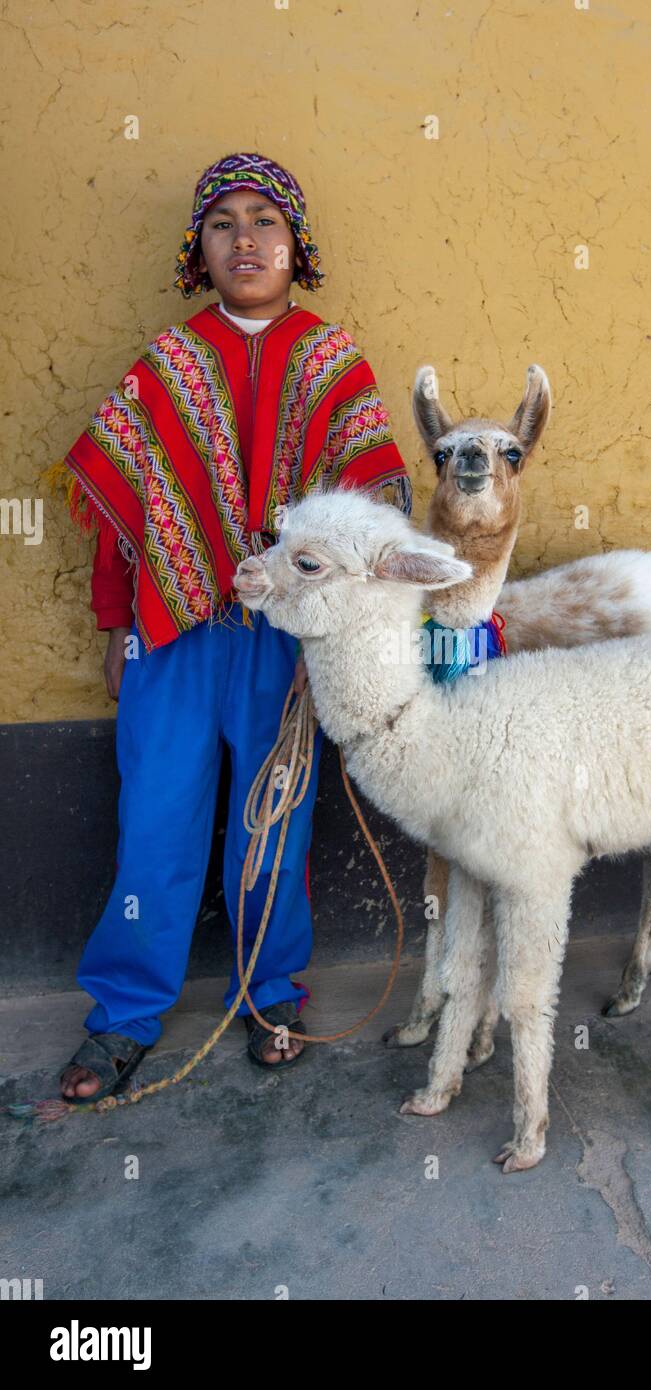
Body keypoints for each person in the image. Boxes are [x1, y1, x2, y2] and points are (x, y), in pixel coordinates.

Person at [55, 152, 413, 1102]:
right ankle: (124, 1016)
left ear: (298, 245)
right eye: (223, 224)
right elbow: (126, 522)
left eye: (265, 221)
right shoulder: (166, 365)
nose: (245, 240)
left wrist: (339, 643)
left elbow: (373, 520)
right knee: (155, 823)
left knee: (276, 820)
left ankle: (273, 994)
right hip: (174, 634)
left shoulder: (336, 366)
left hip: (286, 641)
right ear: (197, 250)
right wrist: (114, 630)